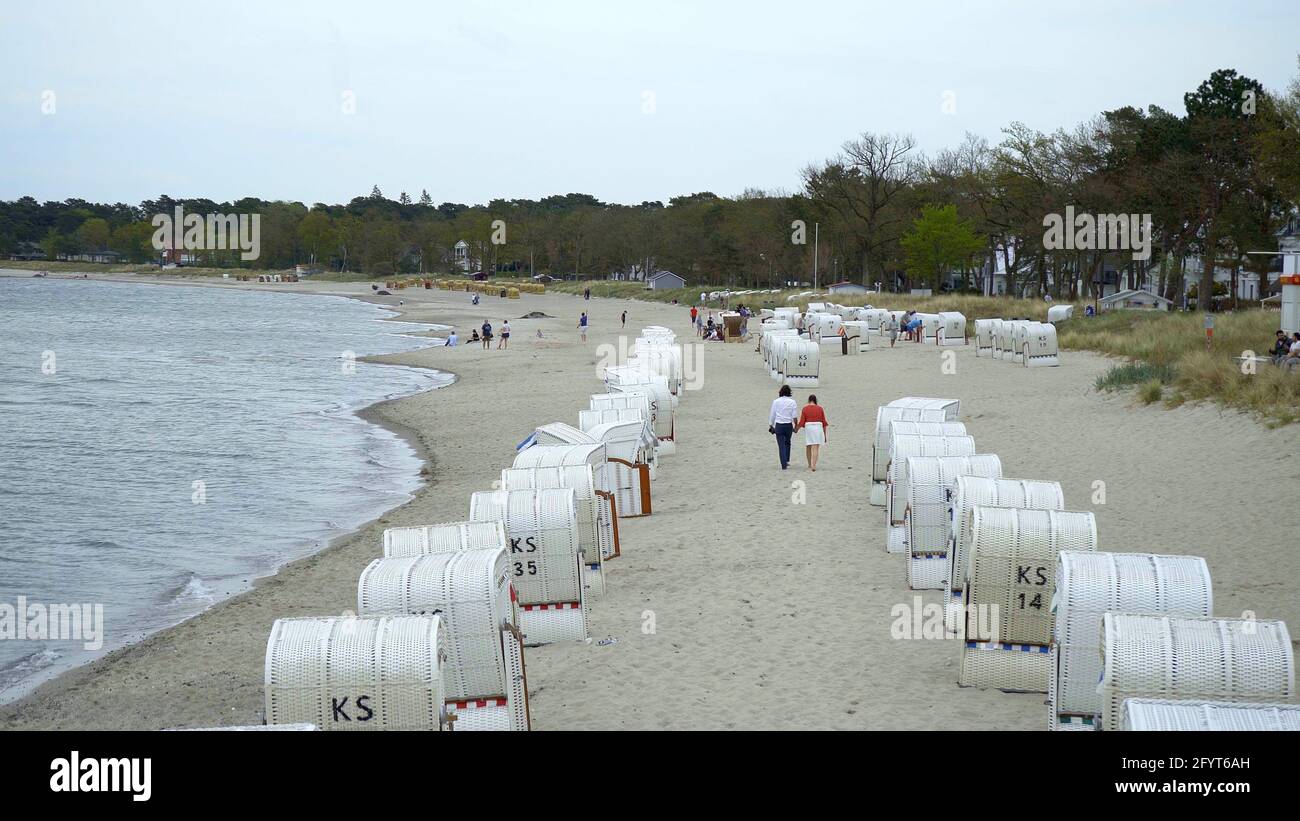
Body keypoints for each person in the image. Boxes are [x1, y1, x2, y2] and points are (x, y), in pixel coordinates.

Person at [795, 394, 829, 471]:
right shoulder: (820, 409)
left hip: (809, 427)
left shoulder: (805, 409)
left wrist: (796, 429)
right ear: (815, 400)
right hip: (818, 426)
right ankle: (814, 465)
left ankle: (810, 464)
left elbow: (802, 422)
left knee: (808, 446)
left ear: (809, 400)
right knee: (815, 447)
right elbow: (824, 423)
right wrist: (824, 435)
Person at [768, 385, 798, 470]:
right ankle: (787, 460)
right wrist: (796, 425)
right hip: (788, 425)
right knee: (788, 443)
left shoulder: (776, 401)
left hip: (779, 425)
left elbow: (772, 414)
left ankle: (783, 465)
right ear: (789, 392)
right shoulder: (792, 402)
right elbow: (794, 416)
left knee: (781, 445)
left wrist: (771, 424)